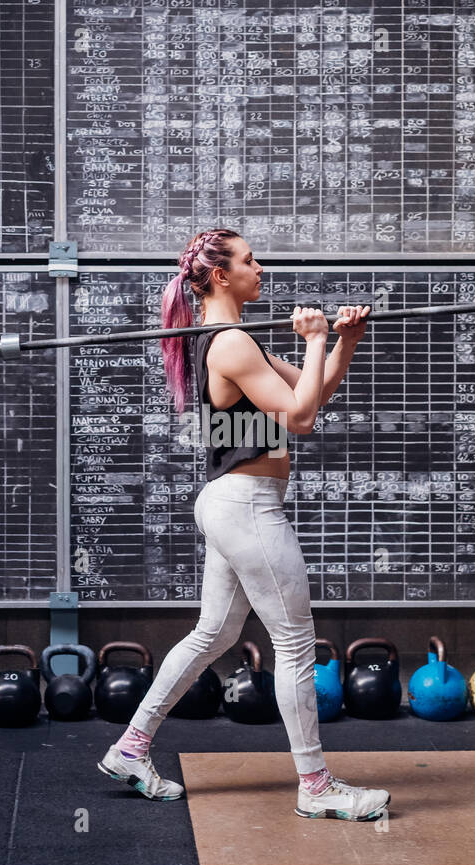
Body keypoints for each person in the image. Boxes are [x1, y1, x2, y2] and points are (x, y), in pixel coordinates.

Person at [97, 228, 388, 821]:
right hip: (247, 505)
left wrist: (343, 342)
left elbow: (313, 390)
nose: (262, 268)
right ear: (222, 276)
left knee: (215, 634)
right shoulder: (230, 343)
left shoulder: (235, 341)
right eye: (251, 260)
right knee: (295, 643)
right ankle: (316, 786)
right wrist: (313, 337)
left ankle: (131, 748)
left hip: (236, 502)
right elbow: (301, 420)